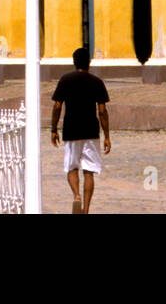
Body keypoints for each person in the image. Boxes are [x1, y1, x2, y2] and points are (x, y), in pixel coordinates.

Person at [51, 47, 111, 214]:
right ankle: (85, 210)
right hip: (91, 130)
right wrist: (107, 136)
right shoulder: (97, 82)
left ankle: (76, 195)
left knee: (72, 168)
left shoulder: (65, 80)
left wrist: (53, 129)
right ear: (89, 63)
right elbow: (102, 111)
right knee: (89, 171)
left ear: (74, 62)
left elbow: (57, 106)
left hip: (71, 130)